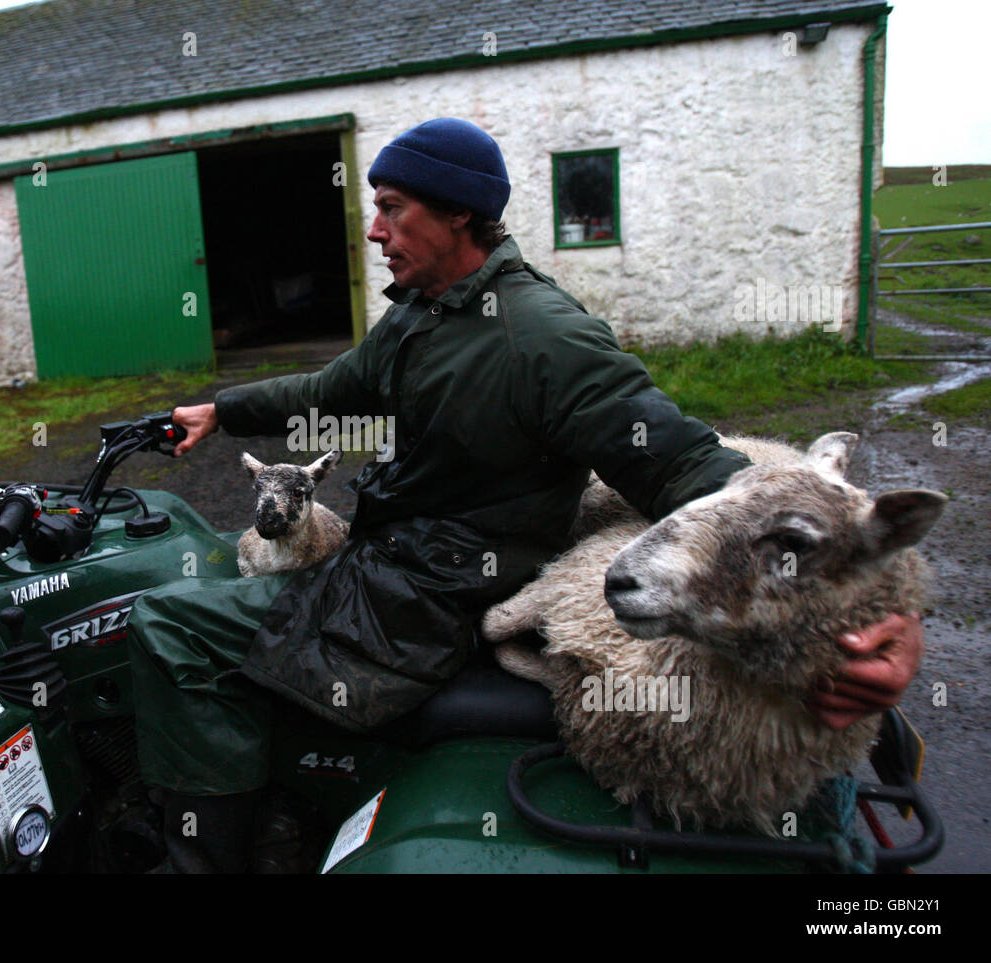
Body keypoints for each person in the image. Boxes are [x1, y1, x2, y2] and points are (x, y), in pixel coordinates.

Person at [128, 118, 925, 872]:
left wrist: (870, 607)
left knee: (168, 621)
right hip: (391, 566)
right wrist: (222, 411)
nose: (374, 232)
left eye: (393, 210)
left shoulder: (543, 337)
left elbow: (692, 467)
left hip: (416, 604)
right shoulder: (422, 318)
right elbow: (331, 389)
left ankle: (202, 860)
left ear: (460, 215)